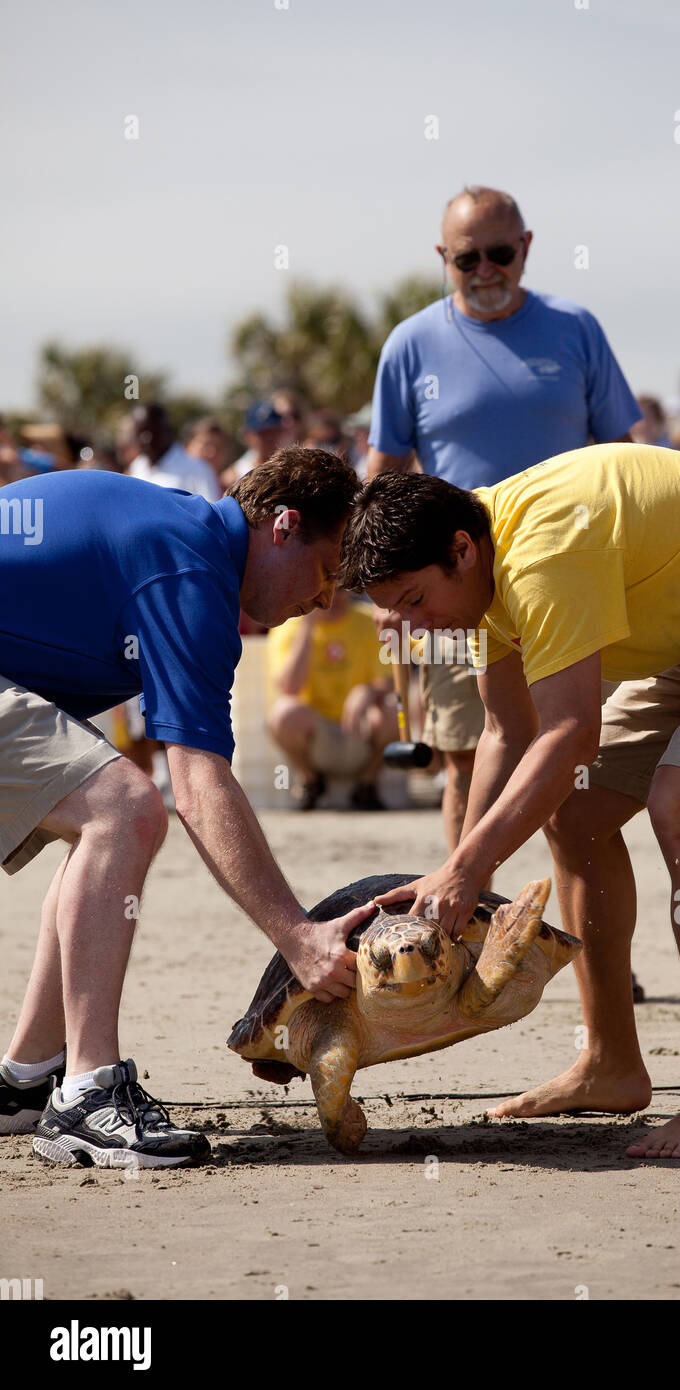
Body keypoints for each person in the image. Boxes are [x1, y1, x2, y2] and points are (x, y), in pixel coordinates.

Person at [340, 443, 680, 1159]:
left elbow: (570, 734)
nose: (416, 626)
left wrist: (467, 873)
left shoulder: (541, 551)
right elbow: (505, 731)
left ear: (461, 551)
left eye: (415, 602)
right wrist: (460, 875)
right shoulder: (481, 566)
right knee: (575, 810)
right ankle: (611, 1064)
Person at [0, 449, 374, 1164]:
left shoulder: (184, 539)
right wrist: (298, 936)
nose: (326, 600)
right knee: (125, 808)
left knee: (100, 816)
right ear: (283, 526)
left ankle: (29, 1078)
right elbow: (198, 786)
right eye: (327, 571)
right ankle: (88, 1093)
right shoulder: (188, 565)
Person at [366, 184, 639, 859]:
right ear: (442, 257)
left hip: (572, 578)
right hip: (452, 582)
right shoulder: (410, 344)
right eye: (467, 259)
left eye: (499, 253)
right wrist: (382, 587)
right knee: (466, 756)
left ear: (526, 248)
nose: (486, 270)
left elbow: (623, 457)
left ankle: (595, 959)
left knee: (576, 765)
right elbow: (383, 474)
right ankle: (458, 935)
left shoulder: (576, 328)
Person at [267, 586, 397, 810]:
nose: (333, 598)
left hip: (360, 728)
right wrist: (307, 628)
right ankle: (310, 781)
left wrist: (367, 691)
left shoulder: (367, 622)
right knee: (282, 713)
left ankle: (368, 783)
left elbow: (389, 681)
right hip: (316, 734)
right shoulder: (289, 627)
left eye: (341, 589)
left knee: (395, 709)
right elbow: (290, 688)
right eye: (324, 590)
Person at [123, 402, 220, 501]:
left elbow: (211, 513)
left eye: (153, 431)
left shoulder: (198, 469)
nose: (147, 439)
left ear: (168, 430)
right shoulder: (137, 466)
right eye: (141, 432)